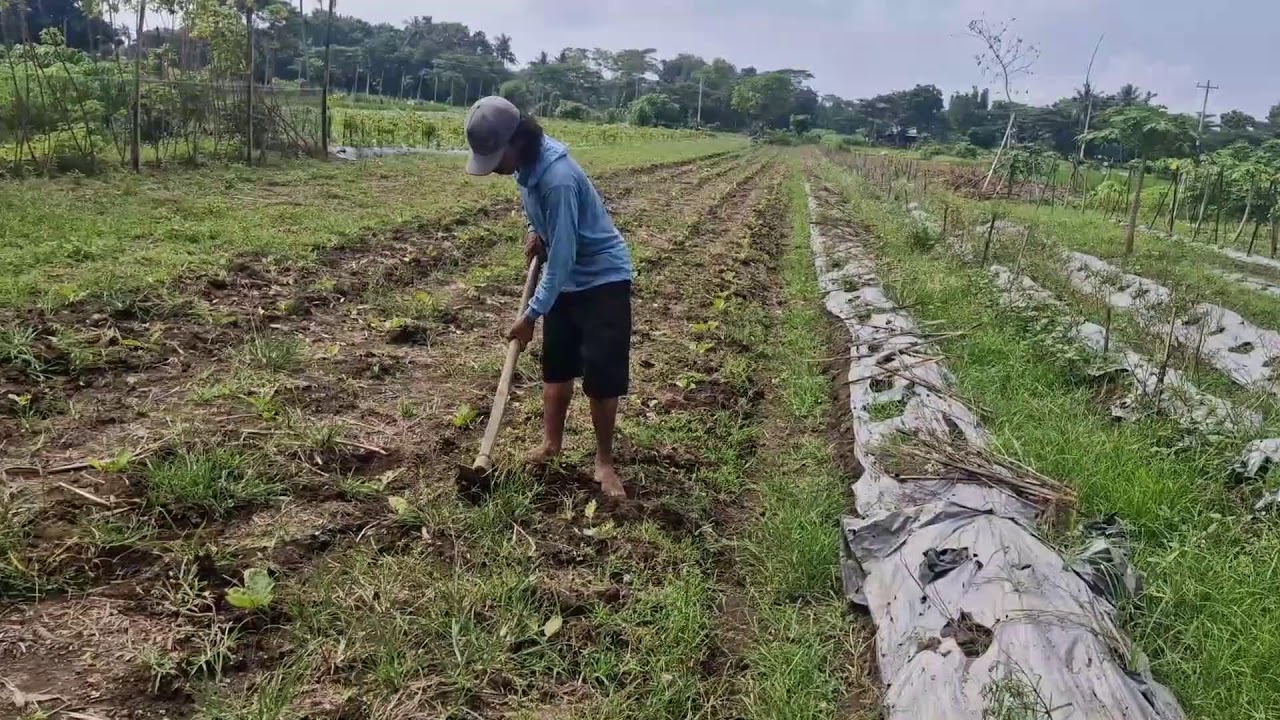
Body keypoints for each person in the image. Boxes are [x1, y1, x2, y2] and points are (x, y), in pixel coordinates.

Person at [463, 96, 634, 498]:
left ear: (516, 142)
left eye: (495, 157)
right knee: (556, 369)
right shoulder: (528, 166)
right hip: (564, 279)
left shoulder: (557, 178)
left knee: (601, 376)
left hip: (601, 280)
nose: (495, 168)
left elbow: (562, 260)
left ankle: (604, 462)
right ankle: (551, 444)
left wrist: (531, 314)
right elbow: (540, 216)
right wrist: (533, 229)